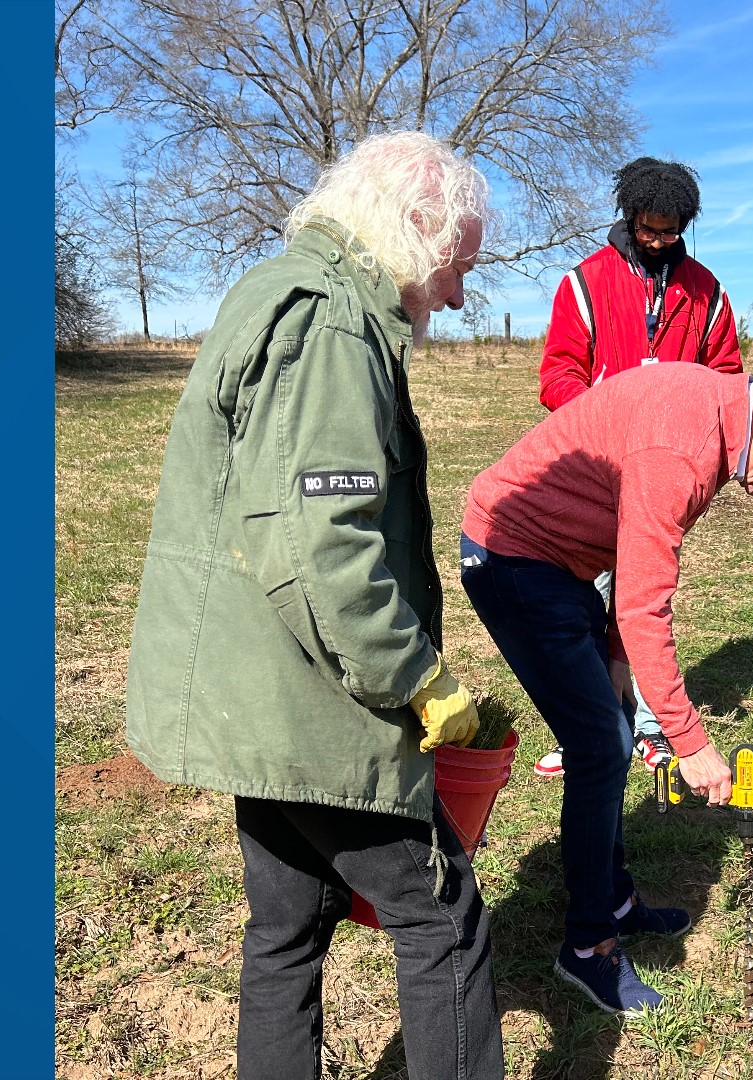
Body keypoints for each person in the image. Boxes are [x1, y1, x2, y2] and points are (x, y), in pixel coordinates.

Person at [124, 131, 502, 1080]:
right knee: (442, 920)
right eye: (457, 268)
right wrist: (417, 678)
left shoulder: (276, 289)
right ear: (416, 230)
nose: (455, 296)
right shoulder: (333, 323)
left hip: (257, 691)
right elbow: (322, 544)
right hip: (307, 697)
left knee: (286, 927)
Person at [458, 364, 753, 1015]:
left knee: (611, 727)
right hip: (513, 554)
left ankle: (613, 899)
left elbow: (631, 546)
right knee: (601, 746)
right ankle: (587, 949)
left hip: (561, 562)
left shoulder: (716, 418)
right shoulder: (685, 447)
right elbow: (646, 604)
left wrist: (619, 658)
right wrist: (690, 741)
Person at [531, 156, 746, 779]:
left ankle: (650, 729)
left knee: (643, 597)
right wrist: (611, 418)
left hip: (663, 474)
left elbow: (727, 379)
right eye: (648, 229)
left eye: (670, 231)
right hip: (594, 473)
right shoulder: (584, 283)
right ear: (629, 216)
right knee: (586, 603)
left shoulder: (708, 292)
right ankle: (588, 727)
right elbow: (558, 374)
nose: (657, 240)